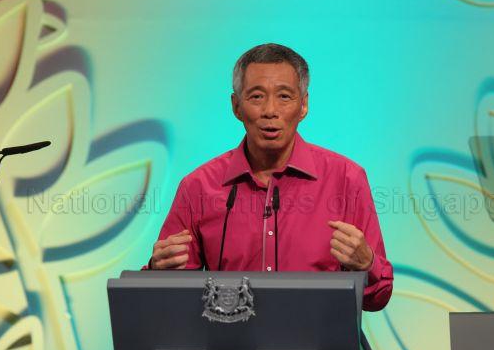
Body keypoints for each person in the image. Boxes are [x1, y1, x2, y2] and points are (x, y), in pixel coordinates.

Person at [148, 43, 392, 311]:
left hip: (319, 337)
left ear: (303, 105)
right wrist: (158, 272)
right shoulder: (198, 186)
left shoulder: (346, 179)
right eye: (256, 97)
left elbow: (378, 298)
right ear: (236, 106)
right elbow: (171, 301)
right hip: (230, 336)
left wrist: (367, 265)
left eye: (284, 96)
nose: (270, 110)